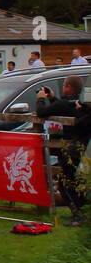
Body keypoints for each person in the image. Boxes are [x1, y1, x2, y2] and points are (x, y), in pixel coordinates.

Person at [36, 76, 91, 221]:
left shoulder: (71, 105)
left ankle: (79, 215)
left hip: (73, 148)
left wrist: (41, 98)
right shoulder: (76, 104)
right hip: (82, 148)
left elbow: (41, 111)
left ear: (68, 87)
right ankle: (80, 213)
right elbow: (61, 108)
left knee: (65, 183)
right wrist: (54, 99)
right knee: (76, 182)